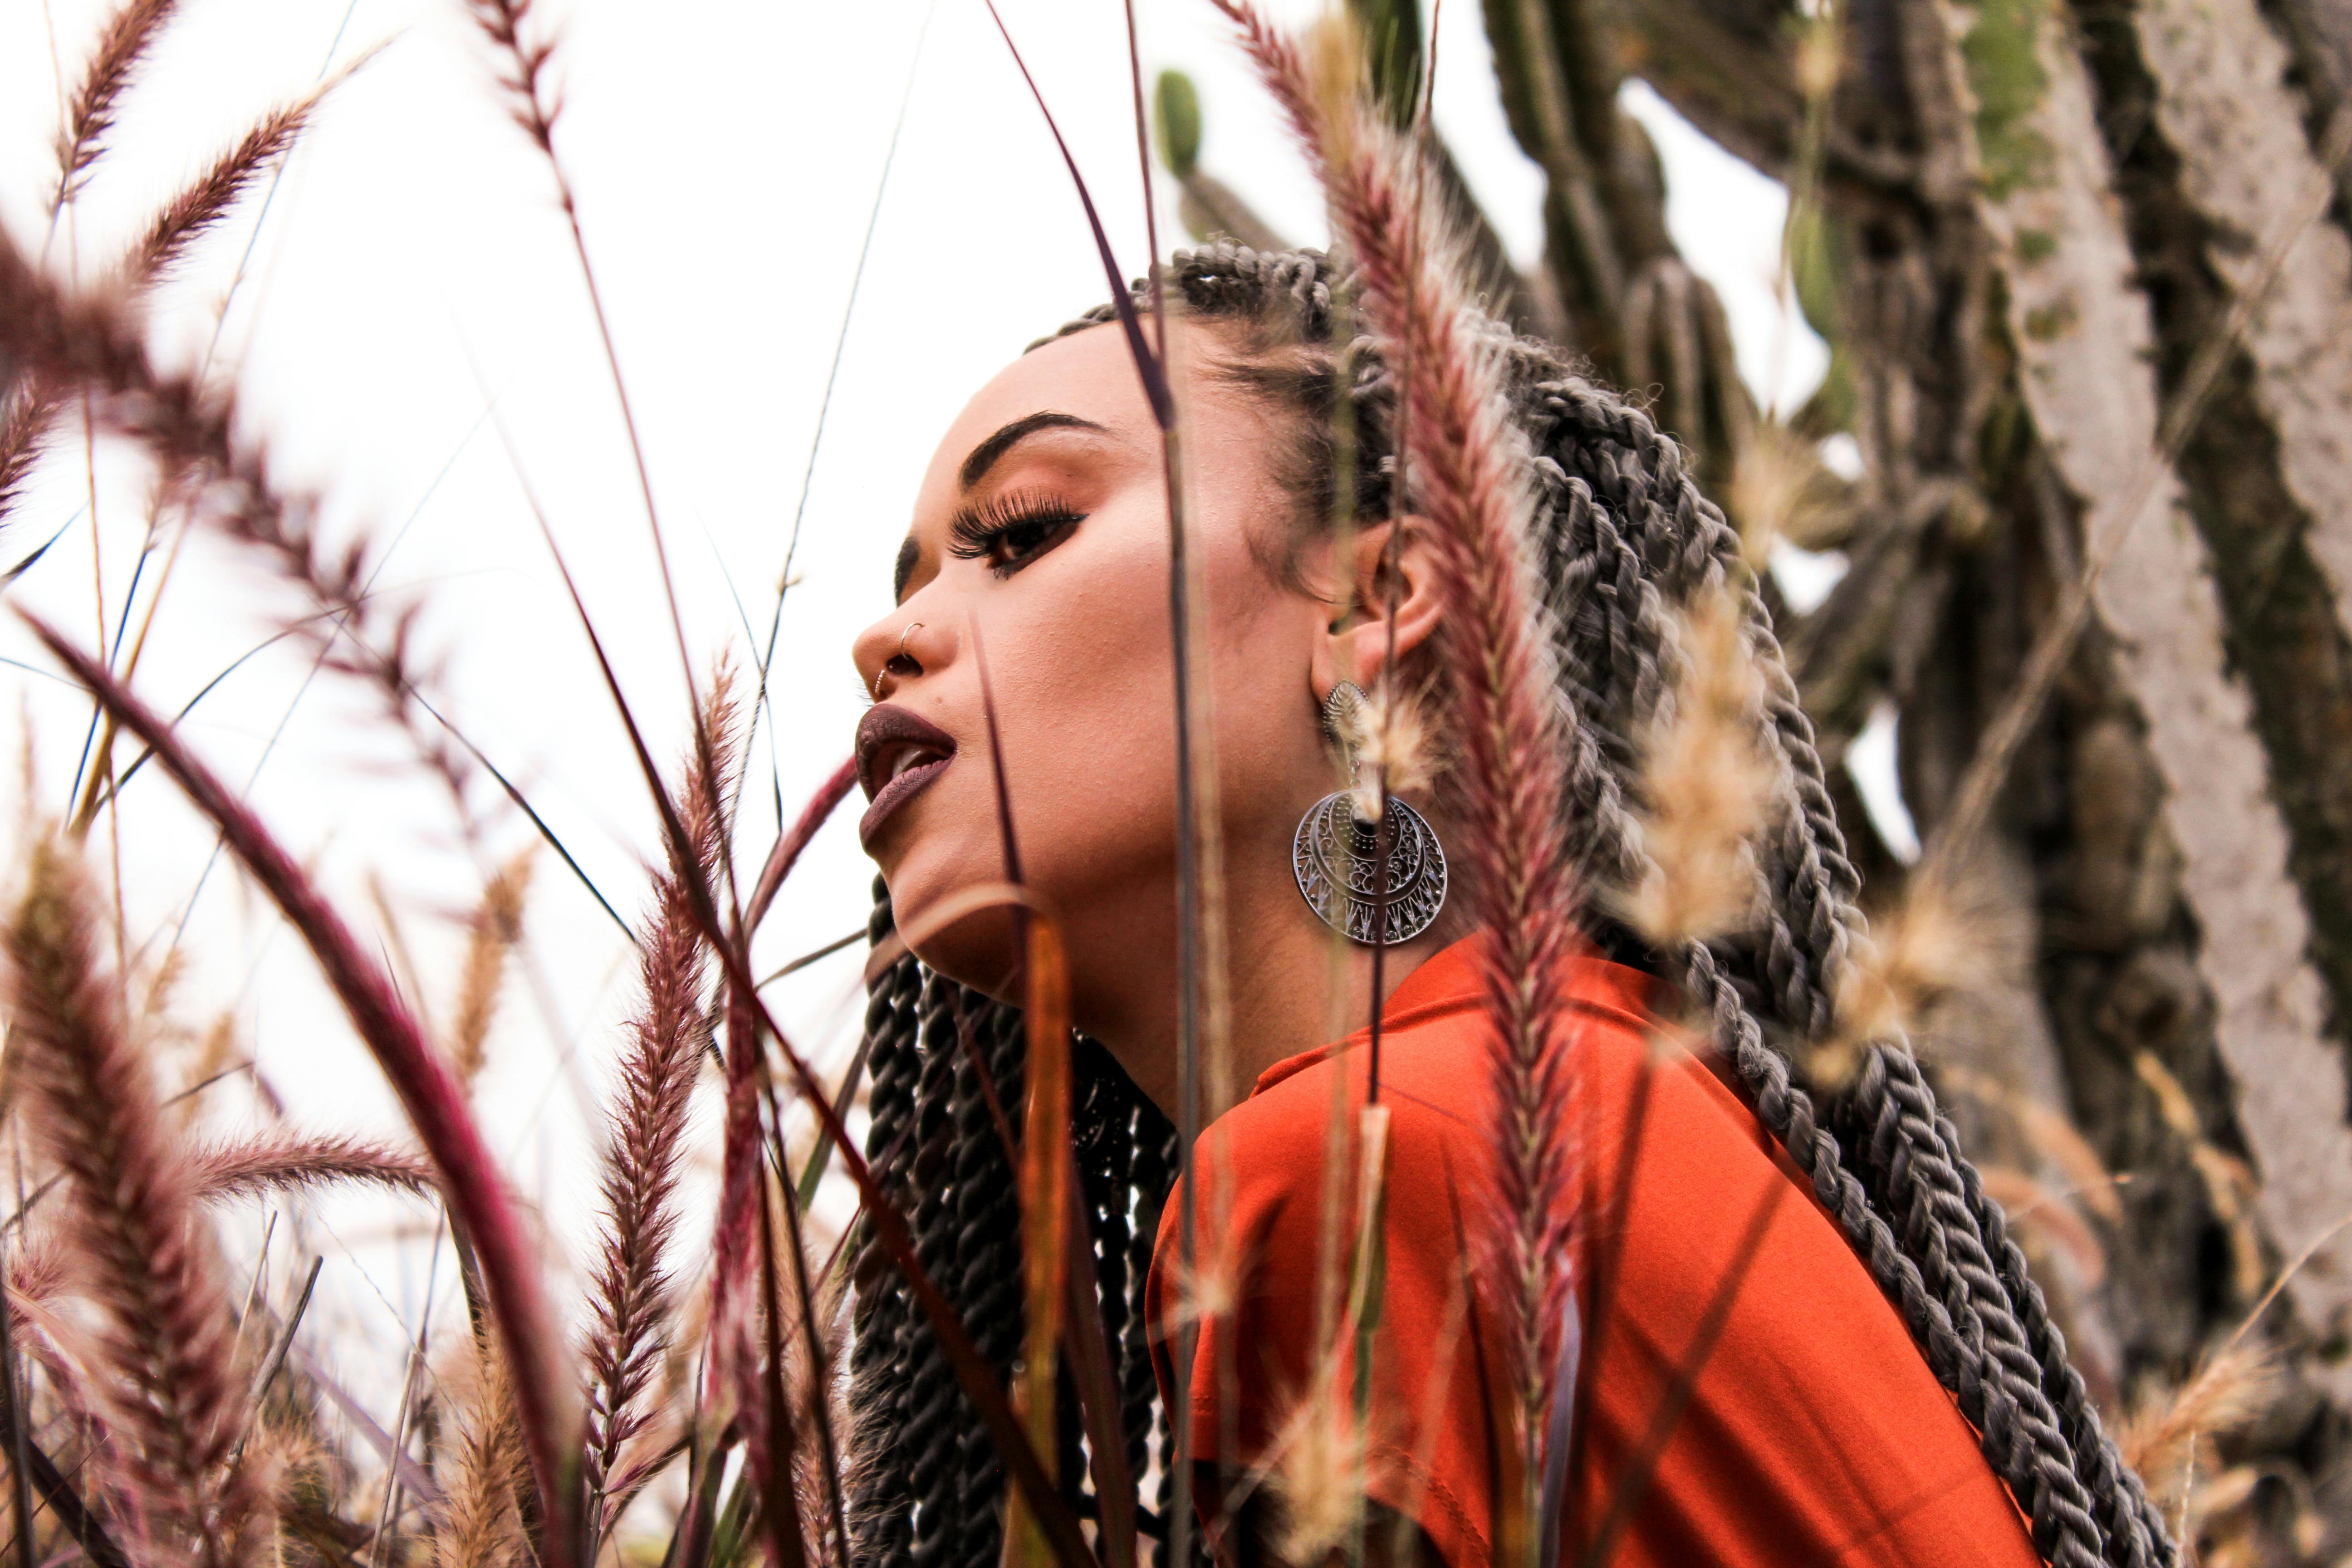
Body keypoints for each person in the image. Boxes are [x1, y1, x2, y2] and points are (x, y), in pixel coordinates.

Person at [841, 245, 2166, 1568]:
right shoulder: (1612, 1108)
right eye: (912, 582)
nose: (886, 642)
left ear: (1378, 603)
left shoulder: (1358, 1171)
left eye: (1019, 534)